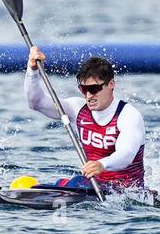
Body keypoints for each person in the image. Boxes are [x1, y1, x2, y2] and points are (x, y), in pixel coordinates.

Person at [25, 47, 145, 188]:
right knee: (46, 186)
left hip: (125, 192)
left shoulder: (128, 115)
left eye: (94, 89)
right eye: (84, 89)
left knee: (76, 182)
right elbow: (36, 103)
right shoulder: (78, 108)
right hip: (92, 186)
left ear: (111, 84)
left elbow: (126, 155)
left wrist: (102, 164)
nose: (89, 96)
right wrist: (32, 70)